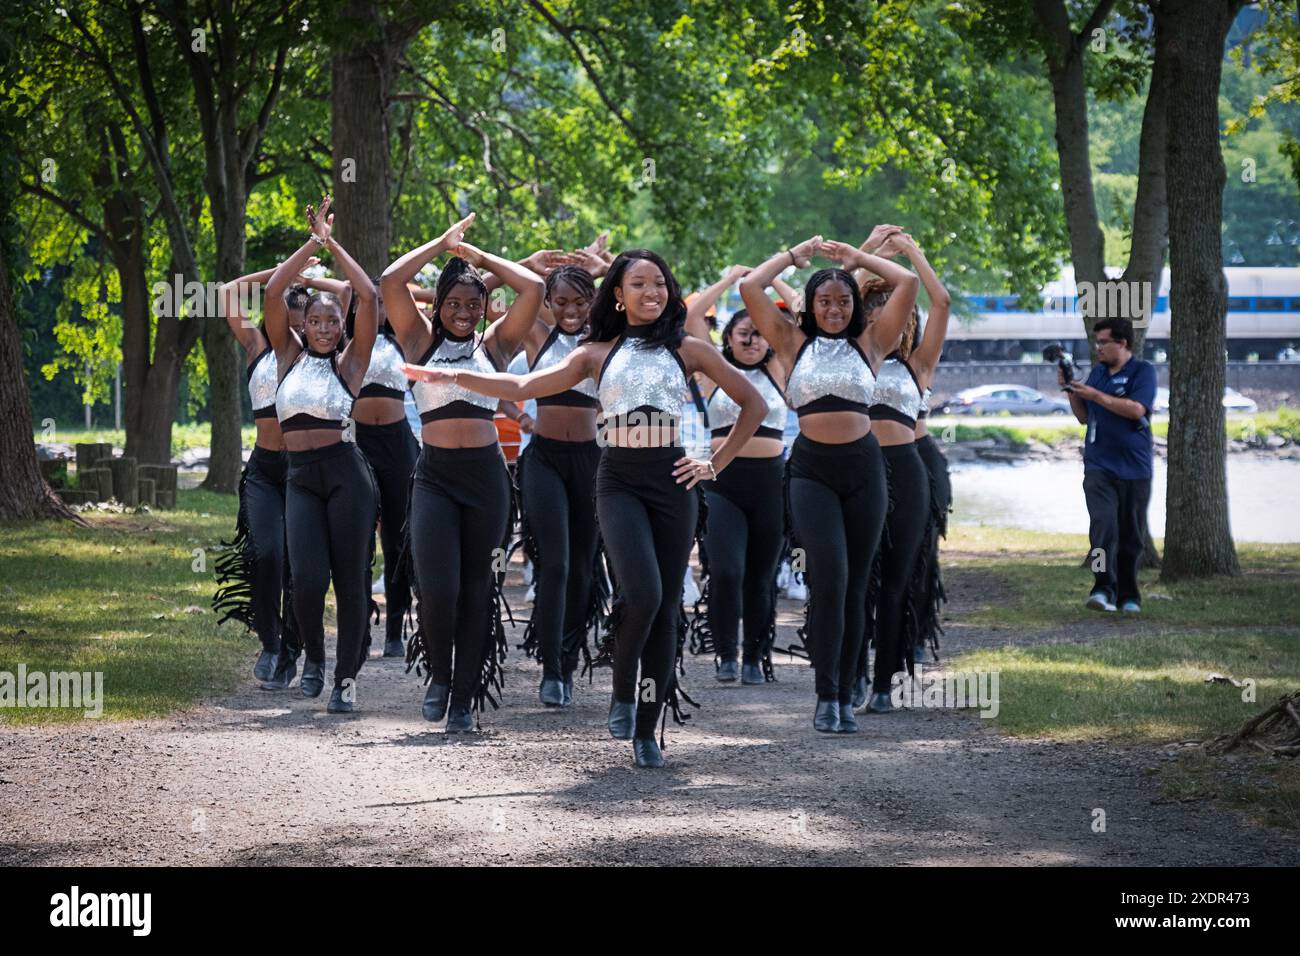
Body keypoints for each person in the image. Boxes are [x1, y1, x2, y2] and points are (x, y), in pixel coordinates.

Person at [404, 249, 766, 769]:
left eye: (659, 284)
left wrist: (712, 463)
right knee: (640, 593)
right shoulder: (596, 353)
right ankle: (622, 686)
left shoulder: (688, 349)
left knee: (665, 608)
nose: (652, 293)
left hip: (672, 481)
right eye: (639, 284)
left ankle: (646, 726)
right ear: (617, 294)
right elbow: (524, 386)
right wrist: (455, 377)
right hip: (617, 479)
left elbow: (752, 404)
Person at [739, 229, 918, 734]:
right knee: (831, 581)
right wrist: (796, 255)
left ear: (854, 305)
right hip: (811, 471)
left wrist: (856, 257)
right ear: (810, 306)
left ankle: (847, 689)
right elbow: (751, 286)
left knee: (858, 586)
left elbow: (906, 281)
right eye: (824, 301)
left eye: (843, 301)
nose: (835, 309)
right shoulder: (791, 343)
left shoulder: (873, 341)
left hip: (865, 469)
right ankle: (826, 694)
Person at [381, 215, 544, 732]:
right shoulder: (416, 340)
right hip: (433, 479)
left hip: (487, 479)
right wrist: (442, 243)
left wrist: (477, 259)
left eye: (474, 305)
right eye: (453, 303)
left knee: (478, 589)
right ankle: (440, 674)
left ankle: (465, 699)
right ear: (436, 305)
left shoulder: (493, 347)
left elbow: (534, 286)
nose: (464, 313)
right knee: (437, 586)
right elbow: (389, 281)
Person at [262, 196, 380, 714]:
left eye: (335, 321)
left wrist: (334, 245)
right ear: (303, 325)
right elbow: (270, 291)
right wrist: (312, 243)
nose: (327, 327)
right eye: (318, 321)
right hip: (301, 477)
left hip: (347, 475)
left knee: (350, 580)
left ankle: (345, 680)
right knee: (306, 578)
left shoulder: (351, 363)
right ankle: (312, 657)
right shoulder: (286, 356)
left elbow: (370, 296)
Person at [853, 231, 950, 713]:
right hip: (857, 470)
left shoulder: (919, 364)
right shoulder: (849, 357)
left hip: (907, 472)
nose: (884, 316)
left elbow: (942, 301)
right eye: (873, 308)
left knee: (896, 583)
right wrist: (863, 252)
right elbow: (826, 298)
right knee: (855, 579)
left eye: (894, 309)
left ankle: (884, 685)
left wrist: (912, 253)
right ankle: (849, 677)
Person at [682, 266, 789, 685]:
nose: (752, 340)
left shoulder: (779, 369)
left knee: (761, 577)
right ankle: (726, 651)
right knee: (726, 571)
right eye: (742, 333)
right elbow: (694, 318)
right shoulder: (713, 372)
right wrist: (729, 280)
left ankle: (753, 657)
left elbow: (794, 317)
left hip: (770, 483)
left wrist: (771, 279)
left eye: (759, 333)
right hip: (722, 483)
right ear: (727, 338)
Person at [211, 266, 309, 684]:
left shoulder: (318, 355)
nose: (298, 322)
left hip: (305, 472)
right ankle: (270, 642)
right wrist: (286, 269)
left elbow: (349, 294)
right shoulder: (255, 347)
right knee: (266, 555)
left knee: (300, 568)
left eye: (305, 315)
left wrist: (314, 278)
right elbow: (228, 292)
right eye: (290, 312)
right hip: (265, 471)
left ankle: (293, 647)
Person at [1061, 317, 1157, 614]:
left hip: (1135, 469)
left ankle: (1129, 595)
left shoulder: (1142, 372)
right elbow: (1083, 416)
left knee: (1131, 537)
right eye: (1096, 342)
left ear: (1122, 343)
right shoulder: (1097, 375)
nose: (1098, 347)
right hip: (1098, 466)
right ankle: (1101, 587)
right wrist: (1072, 392)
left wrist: (1095, 396)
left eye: (1103, 342)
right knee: (1103, 528)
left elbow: (1136, 409)